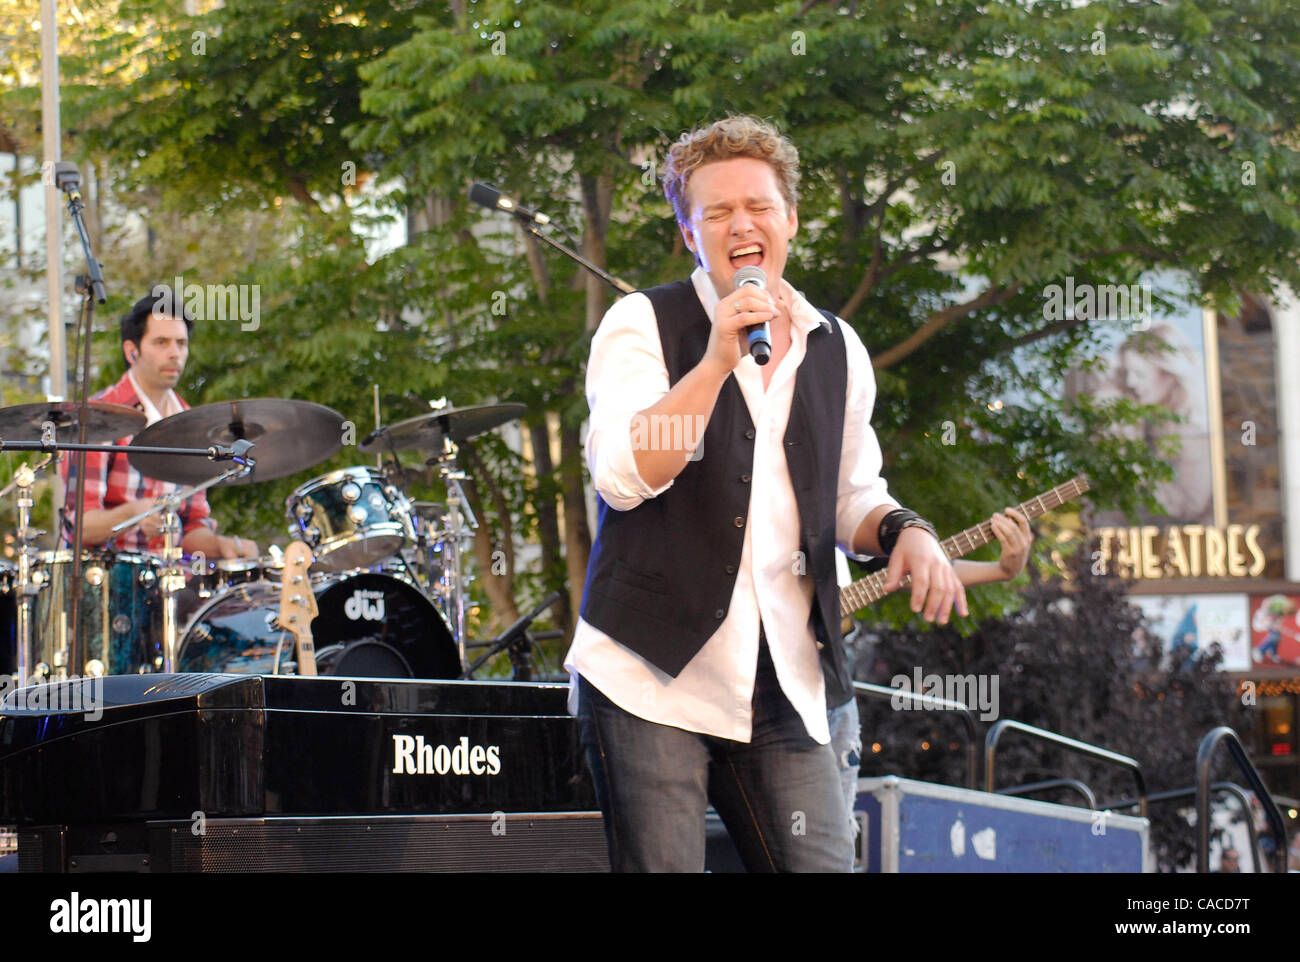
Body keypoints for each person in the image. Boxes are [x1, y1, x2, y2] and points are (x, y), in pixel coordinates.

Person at [568, 115, 968, 872]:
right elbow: (623, 476)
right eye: (716, 212)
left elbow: (851, 495)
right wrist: (716, 361)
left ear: (790, 218)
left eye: (757, 206)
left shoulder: (837, 346)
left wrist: (905, 529)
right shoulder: (641, 324)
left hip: (788, 677)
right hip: (651, 677)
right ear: (691, 234)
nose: (740, 224)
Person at [831, 507, 1033, 835]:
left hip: (829, 690)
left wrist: (1004, 569)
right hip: (765, 693)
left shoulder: (842, 509)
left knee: (832, 837)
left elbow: (921, 568)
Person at [62, 286, 259, 561]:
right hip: (104, 581)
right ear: (132, 351)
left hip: (171, 581)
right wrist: (134, 513)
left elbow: (191, 527)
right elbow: (80, 526)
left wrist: (223, 547)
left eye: (181, 343)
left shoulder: (193, 424)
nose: (174, 353)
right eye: (161, 342)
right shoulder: (97, 418)